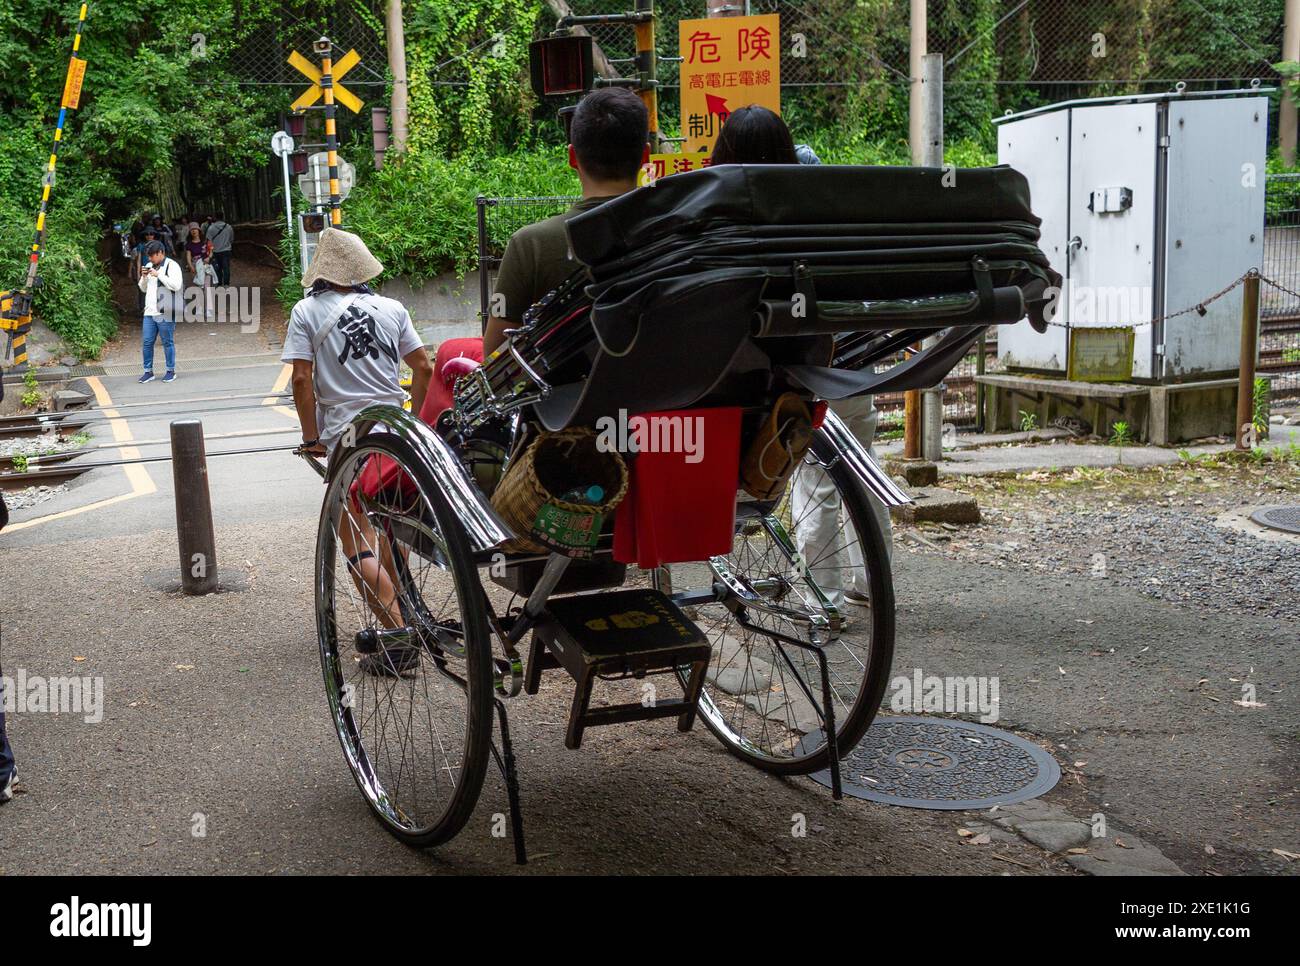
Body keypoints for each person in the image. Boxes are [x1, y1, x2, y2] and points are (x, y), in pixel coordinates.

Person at [712, 105, 892, 610]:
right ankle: (872, 585)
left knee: (815, 475)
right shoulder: (816, 185)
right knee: (861, 465)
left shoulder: (720, 200)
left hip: (792, 373)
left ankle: (823, 599)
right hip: (850, 354)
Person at [423, 88, 650, 423]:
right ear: (646, 156)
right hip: (670, 418)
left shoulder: (532, 245)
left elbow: (496, 357)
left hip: (562, 425)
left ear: (573, 157)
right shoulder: (685, 237)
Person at [281, 228, 433, 675]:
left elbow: (302, 381)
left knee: (354, 541)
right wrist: (417, 421)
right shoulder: (393, 308)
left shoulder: (306, 312)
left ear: (321, 275)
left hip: (350, 441)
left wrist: (312, 438)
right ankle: (402, 616)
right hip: (397, 437)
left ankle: (398, 640)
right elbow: (423, 367)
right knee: (392, 526)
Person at [137, 239, 183, 384]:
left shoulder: (172, 265)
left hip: (165, 310)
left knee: (167, 342)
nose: (150, 259)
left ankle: (170, 370)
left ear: (161, 253)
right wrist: (144, 277)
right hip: (149, 311)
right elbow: (143, 288)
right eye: (148, 256)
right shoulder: (150, 265)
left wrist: (159, 275)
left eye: (152, 255)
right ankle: (148, 371)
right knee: (147, 342)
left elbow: (176, 285)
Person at [183, 222, 216, 320]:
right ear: (190, 232)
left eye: (195, 229)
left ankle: (208, 310)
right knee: (198, 288)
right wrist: (191, 267)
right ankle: (199, 308)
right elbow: (188, 257)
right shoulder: (189, 244)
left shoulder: (205, 242)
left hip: (205, 266)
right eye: (192, 229)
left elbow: (211, 251)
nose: (194, 231)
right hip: (195, 266)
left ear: (199, 230)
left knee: (207, 288)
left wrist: (209, 258)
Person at [205, 211, 234, 286]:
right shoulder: (229, 227)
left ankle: (219, 284)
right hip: (226, 251)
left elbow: (209, 241)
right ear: (223, 217)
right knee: (226, 268)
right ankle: (226, 285)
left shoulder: (211, 228)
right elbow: (231, 239)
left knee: (217, 268)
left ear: (215, 217)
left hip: (215, 251)